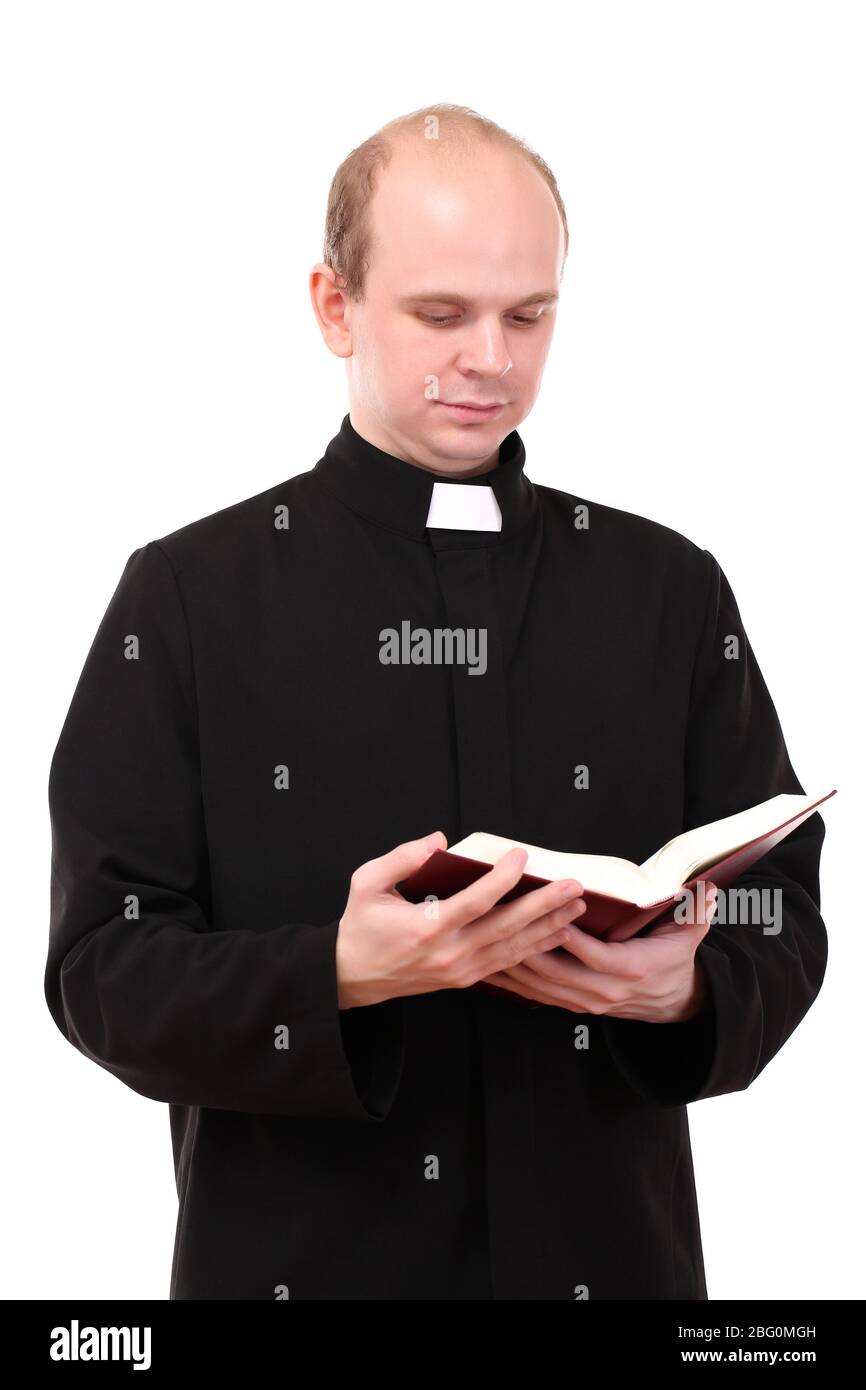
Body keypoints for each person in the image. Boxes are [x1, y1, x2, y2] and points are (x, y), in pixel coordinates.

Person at [44, 103, 828, 1300]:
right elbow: (102, 968)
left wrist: (691, 986)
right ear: (333, 306)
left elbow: (781, 905)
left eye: (529, 315)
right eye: (441, 314)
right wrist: (337, 974)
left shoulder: (665, 586)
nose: (491, 360)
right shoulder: (189, 596)